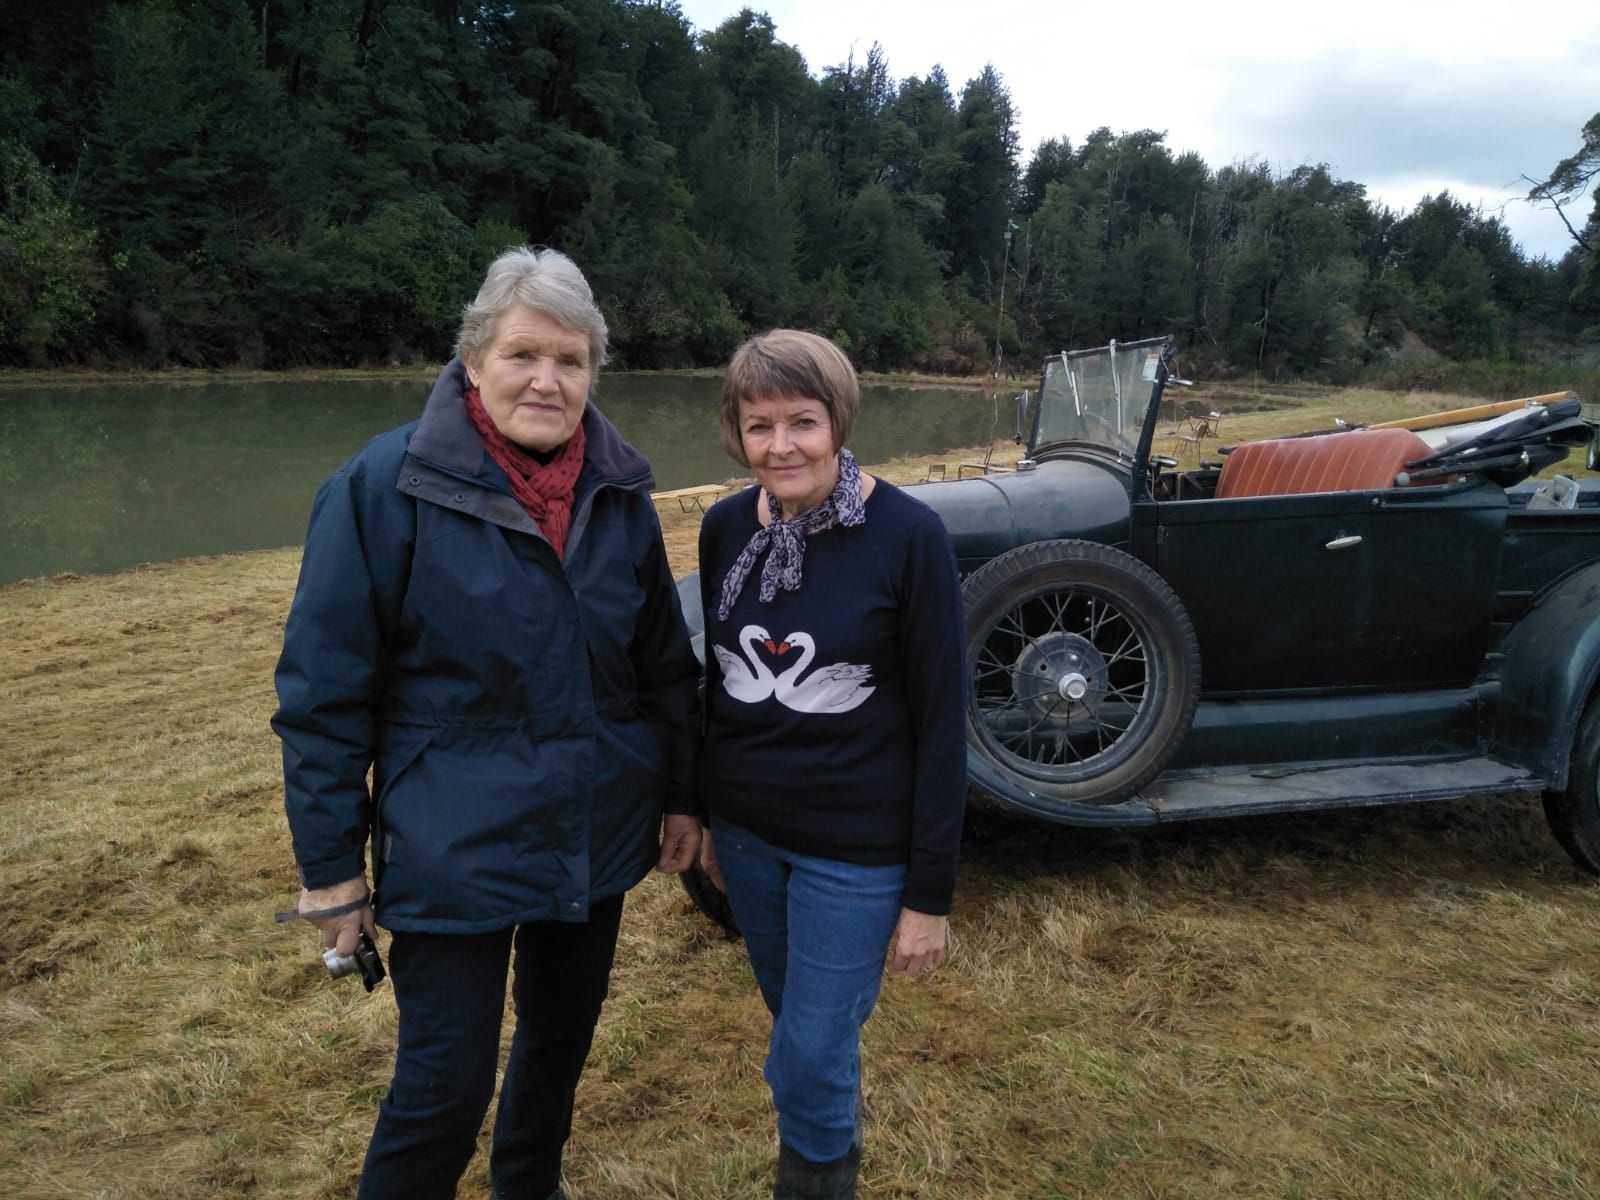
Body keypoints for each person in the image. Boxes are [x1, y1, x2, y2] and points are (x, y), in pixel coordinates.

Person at [272, 246, 701, 1200]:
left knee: (556, 1052)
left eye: (572, 360)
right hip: (450, 835)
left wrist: (679, 796)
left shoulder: (620, 492)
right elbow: (321, 693)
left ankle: (529, 1188)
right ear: (474, 360)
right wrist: (332, 870)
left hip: (593, 827)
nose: (547, 381)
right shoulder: (384, 486)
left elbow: (662, 665)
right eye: (522, 355)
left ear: (593, 371)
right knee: (443, 1087)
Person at [696, 329, 966, 1199]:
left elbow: (941, 721)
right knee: (801, 1031)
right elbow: (718, 688)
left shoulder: (910, 536)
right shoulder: (724, 528)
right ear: (737, 433)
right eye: (758, 425)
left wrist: (929, 895)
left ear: (839, 421)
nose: (781, 447)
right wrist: (700, 815)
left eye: (802, 422)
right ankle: (818, 1139)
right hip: (746, 836)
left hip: (855, 848)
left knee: (808, 1052)